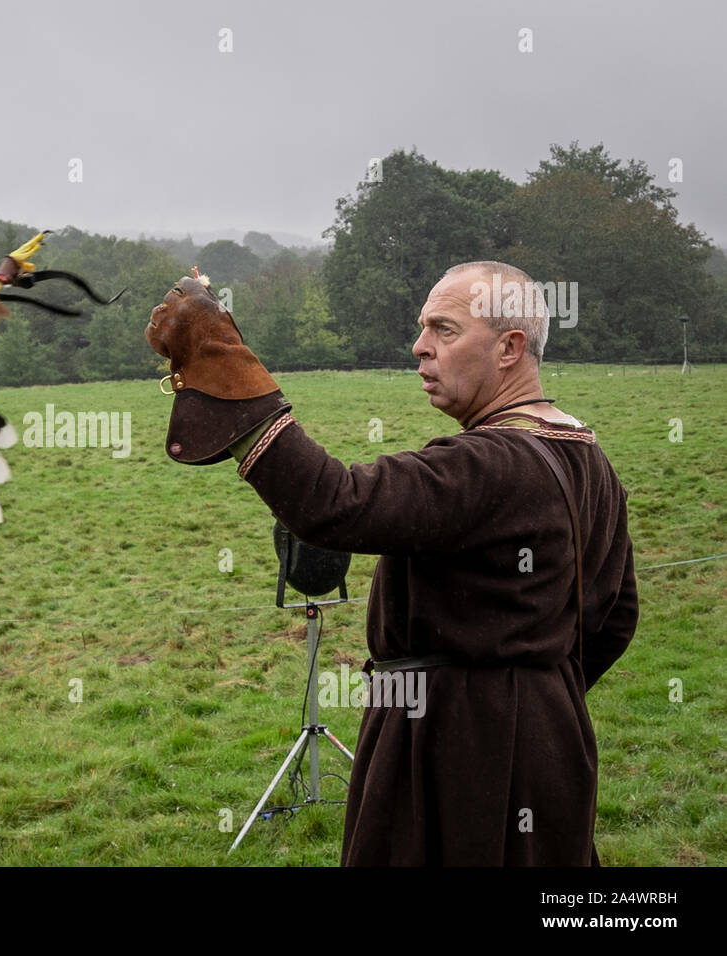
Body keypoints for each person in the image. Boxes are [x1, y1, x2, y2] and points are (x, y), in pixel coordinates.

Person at [146, 263, 640, 865]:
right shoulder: (587, 457)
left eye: (445, 330)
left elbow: (337, 506)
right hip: (551, 740)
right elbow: (615, 619)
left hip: (451, 746)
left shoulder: (488, 462)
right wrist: (535, 697)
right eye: (421, 327)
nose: (420, 346)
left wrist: (223, 362)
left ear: (511, 348)